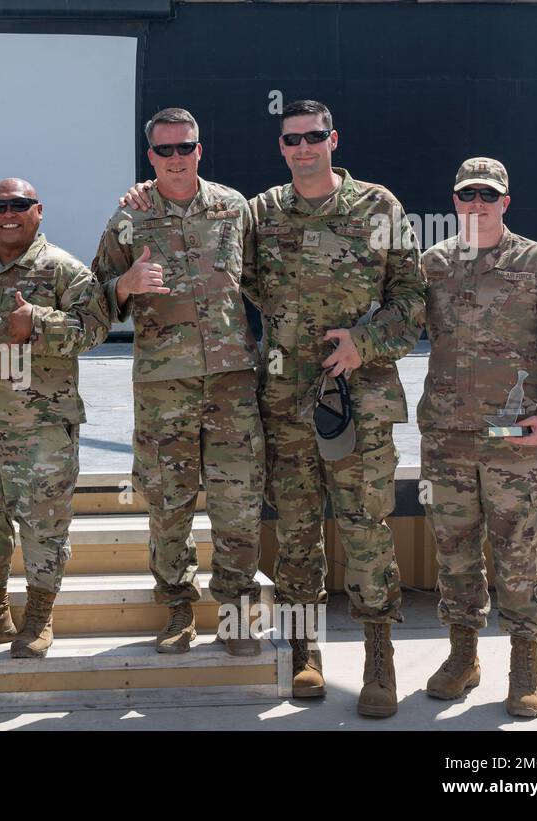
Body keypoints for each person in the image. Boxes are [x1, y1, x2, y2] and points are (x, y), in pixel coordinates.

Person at [121, 100, 425, 716]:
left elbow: (413, 297)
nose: (304, 147)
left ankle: (378, 657)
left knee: (366, 528)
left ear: (333, 139)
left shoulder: (379, 207)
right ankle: (305, 648)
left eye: (314, 137)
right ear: (281, 147)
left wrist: (362, 342)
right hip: (284, 399)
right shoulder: (259, 212)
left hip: (359, 400)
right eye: (292, 140)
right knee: (294, 532)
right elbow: (239, 278)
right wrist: (146, 196)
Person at [93, 108, 266, 657]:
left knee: (237, 502)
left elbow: (267, 282)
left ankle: (238, 609)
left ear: (200, 149)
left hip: (231, 383)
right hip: (164, 386)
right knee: (169, 503)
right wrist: (125, 283)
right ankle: (176, 607)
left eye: (184, 147)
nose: (175, 158)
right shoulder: (130, 218)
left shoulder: (234, 209)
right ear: (150, 157)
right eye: (164, 150)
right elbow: (95, 295)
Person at [419, 157, 537, 718]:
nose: (478, 205)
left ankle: (525, 667)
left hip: (513, 435)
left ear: (506, 202)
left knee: (518, 552)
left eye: (489, 195)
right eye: (468, 195)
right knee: (454, 551)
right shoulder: (433, 265)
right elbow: (395, 323)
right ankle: (463, 657)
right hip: (446, 435)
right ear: (455, 201)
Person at [0, 178, 109, 658]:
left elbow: (95, 330)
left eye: (18, 205)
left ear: (38, 210)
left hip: (42, 430)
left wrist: (40, 322)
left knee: (43, 527)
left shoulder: (64, 271)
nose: (7, 214)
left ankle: (38, 621)